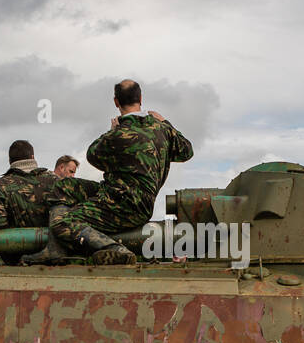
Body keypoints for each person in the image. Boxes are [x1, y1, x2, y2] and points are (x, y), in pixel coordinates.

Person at [27, 79, 193, 266]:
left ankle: (113, 249)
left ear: (116, 102)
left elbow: (93, 155)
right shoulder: (162, 130)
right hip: (130, 200)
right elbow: (186, 150)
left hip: (123, 205)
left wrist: (112, 131)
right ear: (140, 98)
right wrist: (165, 122)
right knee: (64, 186)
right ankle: (55, 249)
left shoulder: (116, 135)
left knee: (61, 223)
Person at [0, 140, 57, 265]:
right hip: (54, 258)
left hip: (16, 259)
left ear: (10, 161)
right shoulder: (55, 181)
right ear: (32, 157)